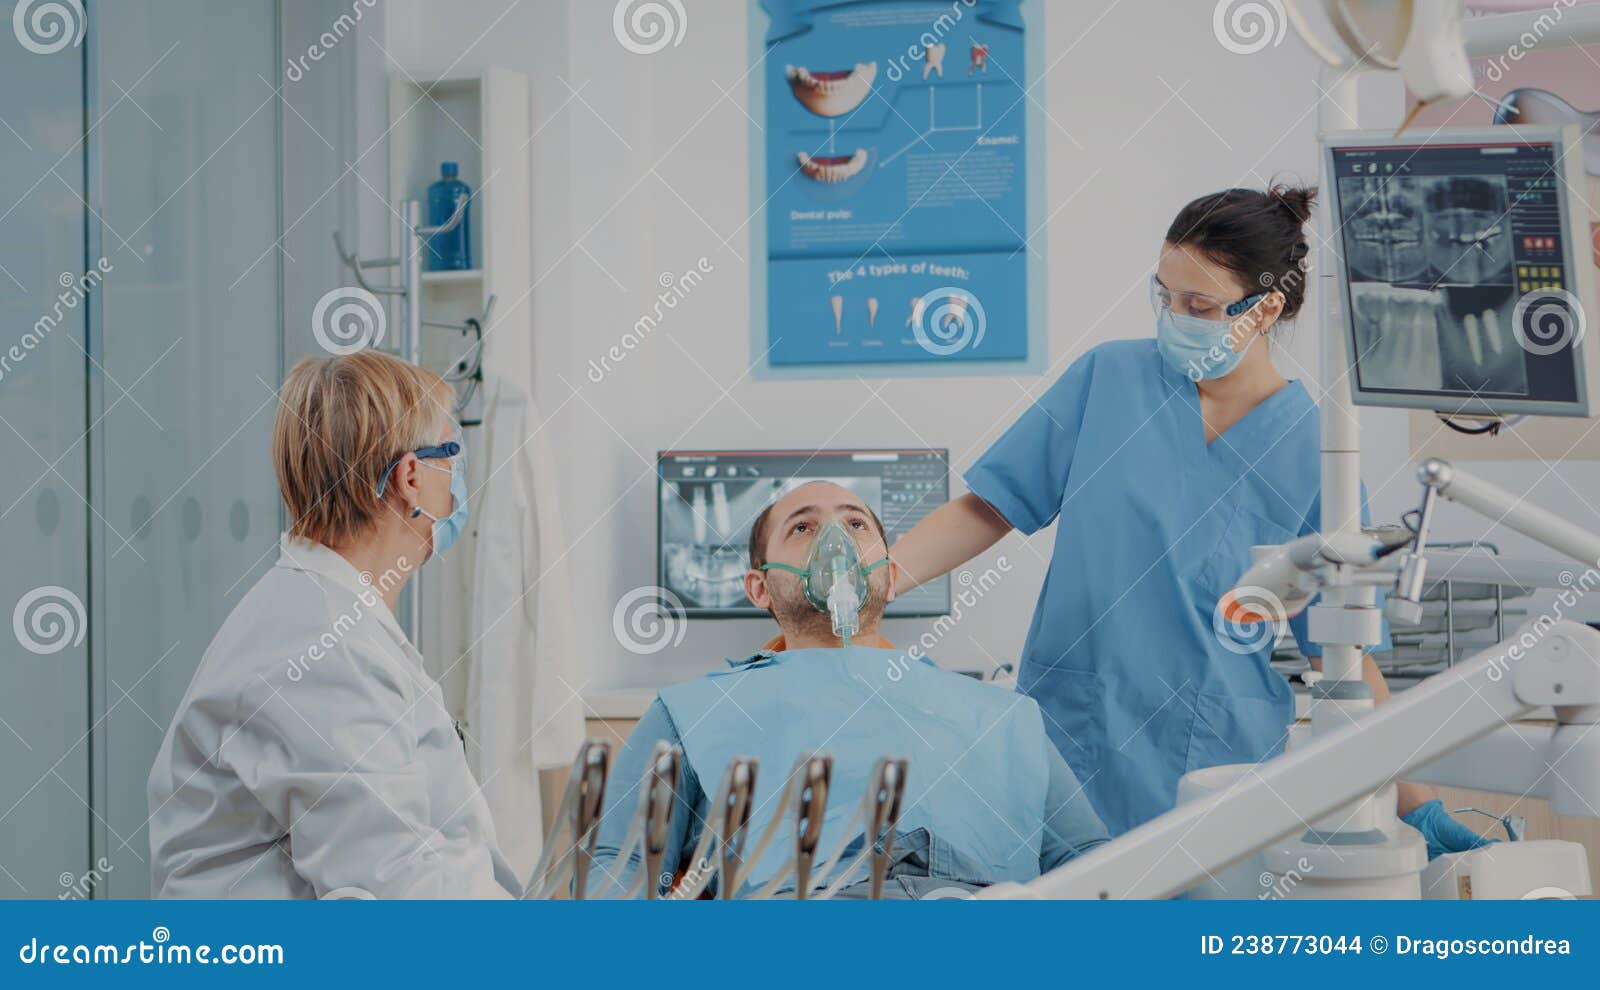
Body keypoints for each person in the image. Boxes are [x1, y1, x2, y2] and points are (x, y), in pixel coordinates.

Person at [890, 186, 1490, 858]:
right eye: (1164, 296)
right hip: (1067, 742)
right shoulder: (1107, 380)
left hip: (1215, 774)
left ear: (1265, 308)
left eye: (1198, 306)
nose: (1174, 318)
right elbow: (988, 506)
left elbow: (1343, 660)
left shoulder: (1318, 456)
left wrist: (1420, 808)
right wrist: (880, 578)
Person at [589, 481, 1108, 899]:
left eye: (854, 523)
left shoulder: (1002, 713)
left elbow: (1091, 862)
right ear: (759, 587)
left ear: (887, 572)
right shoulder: (692, 711)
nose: (833, 540)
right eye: (803, 526)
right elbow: (622, 862)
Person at [147, 351, 520, 898]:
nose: (459, 480)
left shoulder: (330, 615)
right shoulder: (323, 646)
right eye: (453, 455)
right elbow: (396, 890)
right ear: (411, 477)